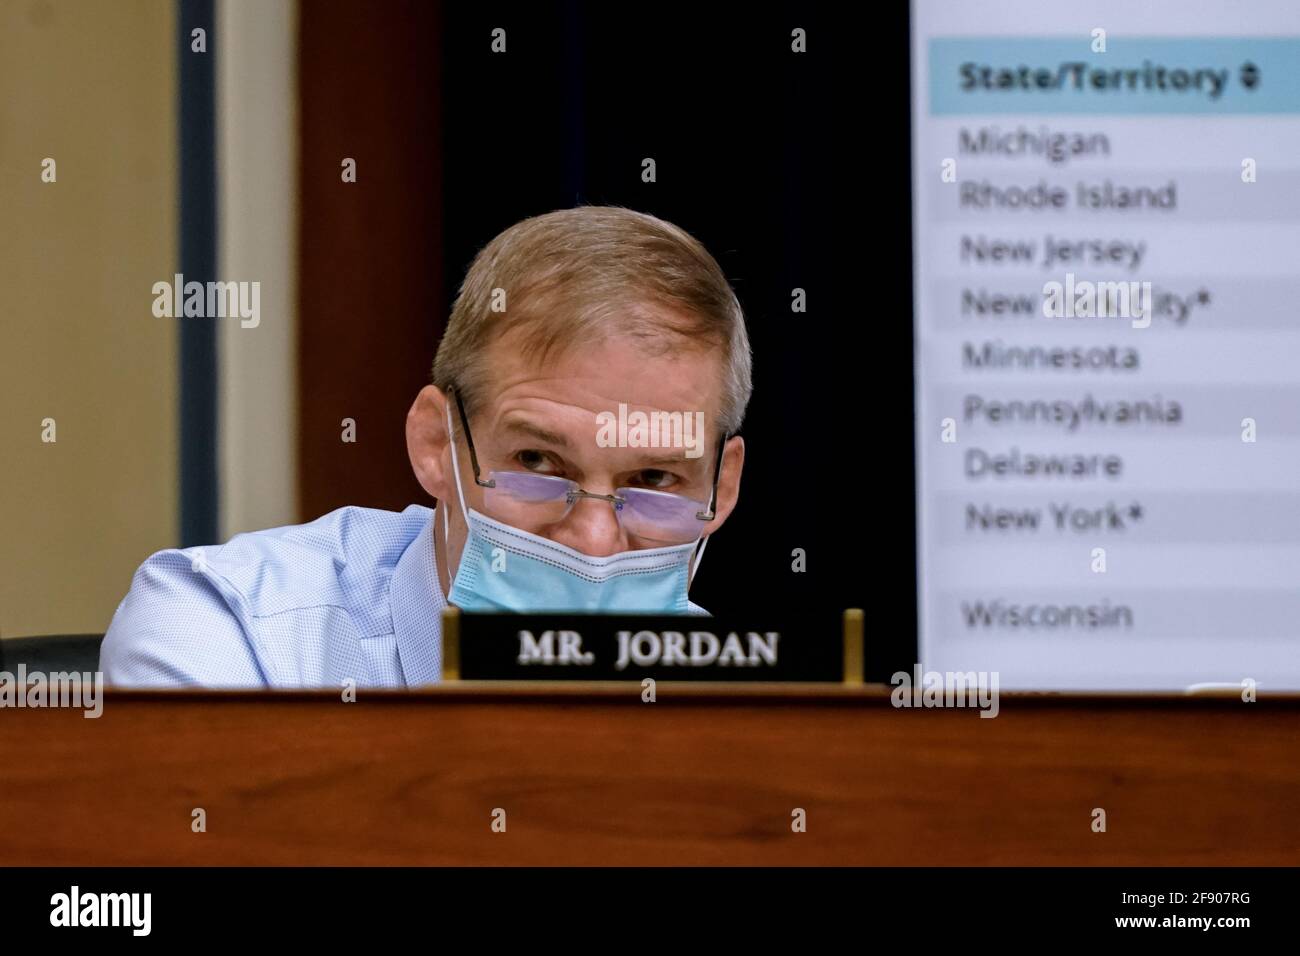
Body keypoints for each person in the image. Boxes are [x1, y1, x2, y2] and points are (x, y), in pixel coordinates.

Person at [100, 206, 751, 687]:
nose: (594, 541)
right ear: (437, 444)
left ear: (720, 490)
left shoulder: (758, 713)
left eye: (656, 478)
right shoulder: (235, 632)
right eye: (537, 462)